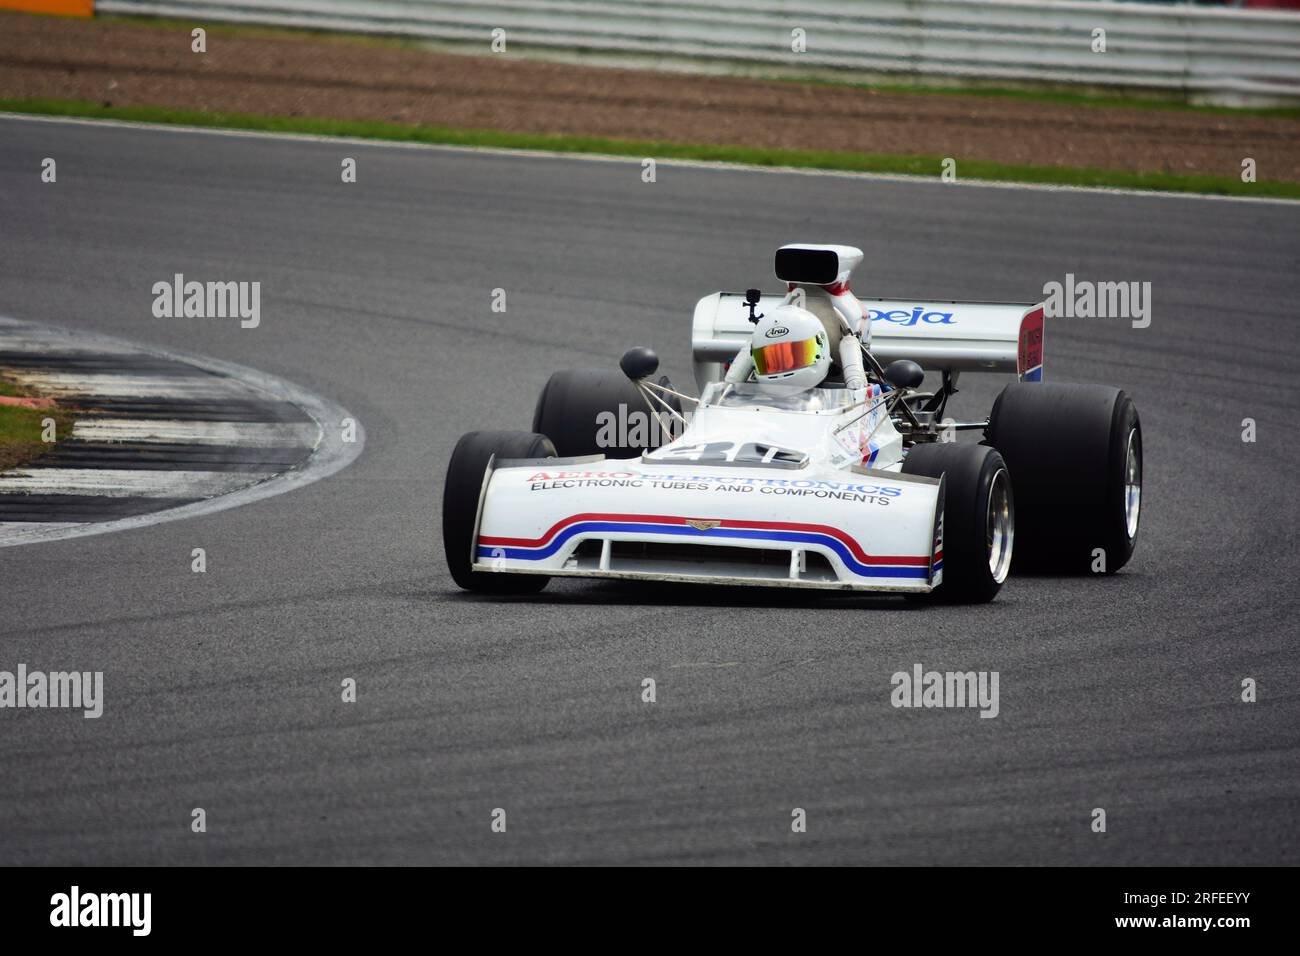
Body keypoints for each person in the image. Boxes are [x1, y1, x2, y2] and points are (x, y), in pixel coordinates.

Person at [725, 302, 868, 396]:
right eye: (770, 360)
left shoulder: (852, 412)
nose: (783, 368)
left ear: (821, 348)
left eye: (795, 355)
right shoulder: (743, 407)